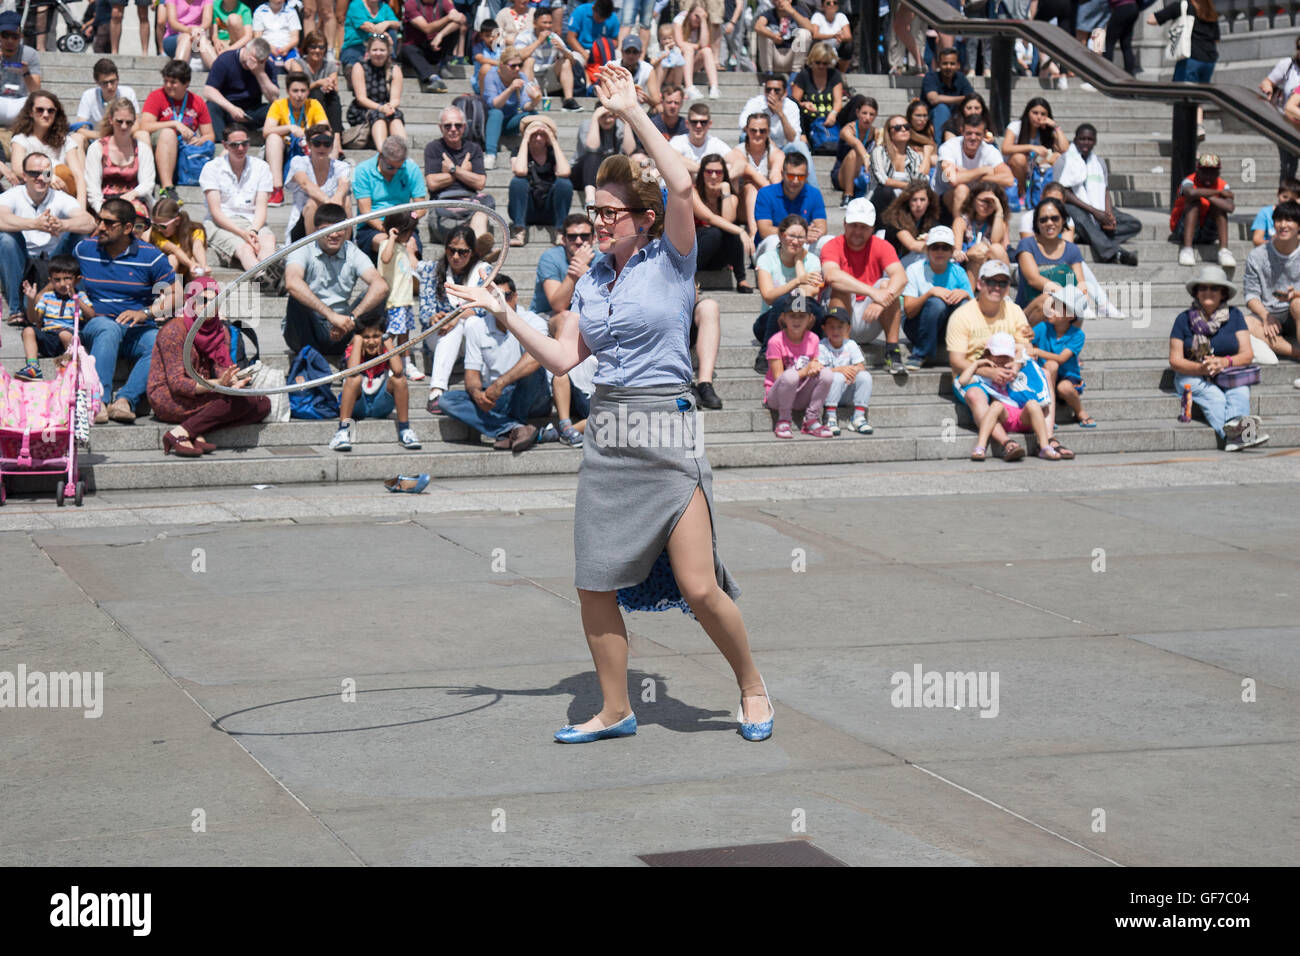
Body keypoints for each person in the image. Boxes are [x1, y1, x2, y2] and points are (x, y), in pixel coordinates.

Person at [446, 63, 773, 744]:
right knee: (594, 582)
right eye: (592, 211)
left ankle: (751, 686)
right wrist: (505, 313)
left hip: (668, 430)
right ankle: (615, 709)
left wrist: (632, 112)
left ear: (644, 220)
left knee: (699, 585)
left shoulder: (673, 258)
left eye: (608, 213)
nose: (596, 221)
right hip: (610, 435)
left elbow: (682, 182)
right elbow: (566, 359)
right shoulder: (590, 280)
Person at [76, 198, 177, 424]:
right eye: (100, 220)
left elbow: (177, 294)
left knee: (161, 340)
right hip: (98, 325)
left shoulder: (150, 255)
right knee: (108, 328)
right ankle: (98, 401)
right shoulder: (84, 249)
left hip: (136, 329)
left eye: (109, 223)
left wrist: (147, 313)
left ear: (128, 228)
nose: (101, 227)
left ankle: (125, 400)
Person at [147, 276, 271, 456]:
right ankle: (178, 434)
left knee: (263, 404)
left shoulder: (220, 331)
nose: (209, 306)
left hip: (203, 390)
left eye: (214, 301)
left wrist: (233, 381)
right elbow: (177, 384)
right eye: (202, 300)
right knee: (241, 402)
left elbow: (222, 369)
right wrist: (218, 384)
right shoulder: (175, 330)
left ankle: (193, 430)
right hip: (169, 396)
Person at [438, 272, 555, 452]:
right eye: (494, 298)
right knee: (446, 400)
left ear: (515, 297)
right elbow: (471, 373)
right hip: (497, 396)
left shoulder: (533, 321)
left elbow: (536, 358)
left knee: (534, 369)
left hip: (532, 396)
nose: (500, 303)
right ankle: (513, 428)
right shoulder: (477, 326)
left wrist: (501, 383)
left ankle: (508, 428)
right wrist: (477, 394)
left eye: (505, 296)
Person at [1169, 263, 1269, 450]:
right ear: (1196, 292)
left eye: (1214, 288)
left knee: (1240, 392)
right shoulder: (1183, 319)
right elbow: (1175, 360)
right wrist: (1201, 368)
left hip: (1228, 371)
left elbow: (1247, 354)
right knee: (1215, 397)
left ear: (1223, 293)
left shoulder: (1235, 316)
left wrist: (1224, 362)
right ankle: (1237, 436)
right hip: (1192, 374)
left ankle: (1239, 436)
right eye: (1203, 287)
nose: (1208, 292)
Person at [947, 259, 1035, 461]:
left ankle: (1048, 439)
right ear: (980, 284)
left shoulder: (1014, 311)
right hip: (973, 375)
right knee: (976, 396)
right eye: (991, 282)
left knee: (1046, 372)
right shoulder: (962, 315)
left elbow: (1027, 347)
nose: (997, 287)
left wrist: (1016, 365)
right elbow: (956, 361)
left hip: (1010, 373)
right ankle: (1007, 443)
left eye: (1003, 283)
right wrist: (986, 371)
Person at [0, 153, 96, 324]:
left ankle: (79, 299)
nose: (40, 178)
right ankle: (16, 310)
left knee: (80, 233)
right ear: (24, 176)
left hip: (53, 260)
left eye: (46, 174)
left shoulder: (60, 198)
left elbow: (89, 222)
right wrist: (34, 224)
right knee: (7, 239)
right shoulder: (12, 195)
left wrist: (62, 224)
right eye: (34, 174)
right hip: (23, 261)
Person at [283, 201, 387, 358]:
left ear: (346, 230)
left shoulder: (352, 251)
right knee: (296, 296)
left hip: (345, 326)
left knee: (380, 292)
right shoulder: (302, 249)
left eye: (338, 229)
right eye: (326, 230)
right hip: (307, 329)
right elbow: (292, 282)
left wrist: (351, 318)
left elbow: (380, 286)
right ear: (316, 230)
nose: (333, 235)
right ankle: (311, 357)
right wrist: (330, 316)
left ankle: (364, 350)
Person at [821, 198, 909, 374]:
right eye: (854, 225)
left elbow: (901, 277)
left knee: (888, 285)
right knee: (840, 286)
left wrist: (881, 299)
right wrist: (873, 293)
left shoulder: (882, 246)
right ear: (845, 224)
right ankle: (843, 353)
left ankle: (893, 350)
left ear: (872, 229)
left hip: (870, 316)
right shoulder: (832, 245)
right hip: (837, 317)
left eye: (864, 227)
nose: (858, 232)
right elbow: (831, 275)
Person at [959, 331, 1063, 461]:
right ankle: (981, 446)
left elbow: (1024, 349)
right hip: (1005, 416)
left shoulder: (1018, 365)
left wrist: (1015, 364)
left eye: (1006, 355)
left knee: (1033, 404)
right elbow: (962, 381)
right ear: (988, 355)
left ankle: (1044, 447)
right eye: (998, 355)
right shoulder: (987, 374)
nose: (1002, 359)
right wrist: (976, 364)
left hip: (1023, 416)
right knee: (996, 405)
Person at [327, 311, 421, 450]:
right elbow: (352, 371)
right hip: (359, 405)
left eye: (376, 336)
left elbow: (398, 371)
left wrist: (388, 343)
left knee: (399, 381)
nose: (371, 342)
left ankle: (405, 430)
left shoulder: (385, 348)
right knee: (353, 379)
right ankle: (342, 432)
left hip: (380, 404)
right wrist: (358, 342)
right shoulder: (353, 348)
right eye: (366, 337)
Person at [420, 224, 491, 408]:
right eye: (451, 250)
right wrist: (434, 318)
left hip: (471, 339)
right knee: (454, 327)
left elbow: (487, 308)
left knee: (469, 321)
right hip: (439, 336)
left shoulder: (483, 271)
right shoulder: (432, 270)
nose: (456, 257)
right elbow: (425, 310)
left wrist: (457, 316)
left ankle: (481, 385)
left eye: (462, 252)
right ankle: (437, 389)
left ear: (473, 252)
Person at [1053, 122, 1142, 266]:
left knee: (1133, 224)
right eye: (1082, 139)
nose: (1085, 143)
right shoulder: (1064, 161)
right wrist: (1095, 212)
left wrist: (1108, 213)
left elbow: (1105, 189)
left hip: (1098, 206)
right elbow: (1061, 192)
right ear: (1075, 140)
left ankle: (1089, 236)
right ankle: (1116, 253)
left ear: (1095, 141)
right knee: (1081, 218)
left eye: (1089, 139)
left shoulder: (1099, 162)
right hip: (1072, 206)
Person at [200, 123, 275, 272]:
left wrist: (253, 231)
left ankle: (269, 274)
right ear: (225, 145)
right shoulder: (212, 168)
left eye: (245, 144)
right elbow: (216, 213)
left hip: (252, 222)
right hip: (221, 223)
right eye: (234, 145)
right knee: (246, 250)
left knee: (268, 243)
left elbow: (261, 208)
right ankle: (263, 279)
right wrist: (242, 234)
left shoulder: (261, 167)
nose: (240, 148)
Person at [752, 213, 824, 368]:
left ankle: (822, 353)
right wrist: (798, 281)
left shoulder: (812, 260)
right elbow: (768, 297)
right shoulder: (766, 259)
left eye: (801, 238)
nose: (796, 241)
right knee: (782, 301)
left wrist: (799, 262)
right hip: (770, 321)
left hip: (802, 320)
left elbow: (809, 294)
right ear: (781, 235)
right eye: (791, 236)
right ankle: (765, 354)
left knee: (814, 307)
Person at [424, 106, 495, 257]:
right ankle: (478, 251)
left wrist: (453, 170)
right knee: (468, 229)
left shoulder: (474, 149)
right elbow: (432, 183)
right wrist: (463, 172)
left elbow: (480, 183)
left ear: (464, 126)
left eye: (458, 125)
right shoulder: (433, 148)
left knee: (482, 213)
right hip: (443, 209)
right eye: (448, 125)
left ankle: (474, 248)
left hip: (470, 206)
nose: (453, 129)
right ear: (440, 127)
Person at [140, 62, 215, 205]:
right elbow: (144, 126)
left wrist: (200, 140)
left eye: (173, 82)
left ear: (186, 83)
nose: (168, 85)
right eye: (166, 81)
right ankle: (167, 188)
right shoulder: (156, 96)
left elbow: (210, 135)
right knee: (169, 133)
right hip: (161, 151)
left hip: (185, 154)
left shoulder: (197, 101)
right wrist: (174, 124)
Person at [901, 226, 972, 369]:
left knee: (964, 304)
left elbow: (975, 310)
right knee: (936, 303)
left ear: (952, 251)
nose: (940, 251)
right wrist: (930, 293)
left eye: (945, 248)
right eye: (935, 247)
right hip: (917, 326)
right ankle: (920, 353)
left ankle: (964, 351)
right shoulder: (914, 270)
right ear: (927, 250)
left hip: (946, 329)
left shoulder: (958, 271)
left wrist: (966, 295)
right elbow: (908, 311)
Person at [13, 255, 93, 382]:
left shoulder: (81, 295)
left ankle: (72, 365)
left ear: (77, 280)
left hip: (71, 338)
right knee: (28, 330)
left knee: (64, 334)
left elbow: (91, 315)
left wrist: (76, 299)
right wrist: (31, 300)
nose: (62, 284)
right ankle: (33, 367)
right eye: (57, 280)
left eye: (67, 279)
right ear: (51, 281)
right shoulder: (47, 297)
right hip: (49, 337)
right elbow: (33, 318)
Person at [1149, 0, 1220, 140]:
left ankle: (1188, 132)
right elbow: (1216, 38)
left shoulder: (1183, 5)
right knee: (1198, 95)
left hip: (1190, 56)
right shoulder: (1210, 9)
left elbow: (1152, 19)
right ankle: (1198, 126)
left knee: (1183, 96)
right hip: (1208, 59)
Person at [1242, 200, 1300, 364]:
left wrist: (1295, 294)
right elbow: (1251, 294)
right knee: (1245, 323)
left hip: (1296, 310)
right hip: (1269, 314)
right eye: (1279, 220)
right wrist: (1265, 316)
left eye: (1289, 220)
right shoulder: (1257, 256)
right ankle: (1296, 352)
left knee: (1298, 304)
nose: (1283, 225)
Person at [1017, 196, 1091, 324]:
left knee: (1076, 305)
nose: (1049, 223)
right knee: (1046, 300)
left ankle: (1066, 343)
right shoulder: (1027, 245)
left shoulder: (1072, 250)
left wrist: (1082, 296)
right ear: (1037, 223)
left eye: (1055, 218)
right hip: (1030, 312)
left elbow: (1081, 283)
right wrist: (1064, 295)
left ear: (1063, 220)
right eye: (1043, 220)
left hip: (1062, 310)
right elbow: (1033, 279)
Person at [353, 135, 428, 259]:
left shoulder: (411, 169)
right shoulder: (363, 170)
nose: (395, 171)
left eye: (399, 167)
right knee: (387, 245)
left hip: (404, 225)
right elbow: (365, 212)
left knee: (410, 246)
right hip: (373, 226)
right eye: (390, 167)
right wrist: (388, 230)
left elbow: (421, 208)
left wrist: (408, 221)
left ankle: (414, 277)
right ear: (380, 156)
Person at [10, 93, 87, 211]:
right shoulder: (21, 139)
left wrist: (81, 210)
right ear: (30, 112)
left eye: (51, 111)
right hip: (31, 199)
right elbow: (18, 168)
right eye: (40, 110)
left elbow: (78, 176)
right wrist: (48, 176)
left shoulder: (66, 141)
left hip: (61, 197)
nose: (46, 115)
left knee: (62, 171)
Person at [764, 307, 833, 437]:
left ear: (810, 318)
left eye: (802, 316)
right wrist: (805, 371)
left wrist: (814, 368)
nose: (797, 320)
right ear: (784, 317)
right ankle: (783, 420)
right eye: (792, 316)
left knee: (826, 374)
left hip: (801, 394)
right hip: (777, 397)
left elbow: (815, 366)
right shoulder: (776, 341)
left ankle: (811, 419)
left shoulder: (813, 339)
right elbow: (779, 378)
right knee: (790, 375)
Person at [738, 74, 816, 187]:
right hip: (760, 147)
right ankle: (744, 181)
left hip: (783, 149)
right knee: (743, 137)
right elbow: (743, 125)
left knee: (800, 146)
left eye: (776, 90)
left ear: (784, 93)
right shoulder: (755, 103)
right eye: (768, 90)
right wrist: (767, 141)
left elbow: (792, 138)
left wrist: (780, 114)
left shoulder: (791, 106)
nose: (772, 93)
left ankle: (814, 194)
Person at [262, 73, 327, 209]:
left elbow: (325, 129)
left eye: (303, 91)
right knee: (273, 137)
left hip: (308, 150)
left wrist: (307, 134)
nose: (299, 95)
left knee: (323, 140)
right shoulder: (278, 105)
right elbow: (266, 131)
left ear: (308, 91)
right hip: (285, 153)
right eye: (295, 91)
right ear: (287, 91)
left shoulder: (314, 104)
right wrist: (290, 127)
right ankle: (277, 189)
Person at [508, 114, 574, 246]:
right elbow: (520, 171)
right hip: (527, 210)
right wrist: (526, 137)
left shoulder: (551, 152)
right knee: (517, 181)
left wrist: (553, 141)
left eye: (542, 134)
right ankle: (519, 231)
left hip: (550, 210)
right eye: (533, 134)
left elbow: (565, 172)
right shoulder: (518, 151)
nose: (538, 137)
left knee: (564, 183)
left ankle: (560, 232)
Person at [692, 153, 754, 292]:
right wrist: (742, 231)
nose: (714, 176)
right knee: (714, 232)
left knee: (728, 231)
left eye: (718, 172)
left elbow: (727, 221)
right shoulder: (693, 193)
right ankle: (689, 278)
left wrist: (726, 190)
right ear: (702, 173)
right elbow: (709, 218)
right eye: (709, 171)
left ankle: (741, 280)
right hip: (695, 253)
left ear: (724, 174)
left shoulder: (731, 197)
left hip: (718, 258)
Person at [1029, 295, 1094, 428]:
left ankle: (1080, 411)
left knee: (1064, 387)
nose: (1050, 311)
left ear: (1070, 316)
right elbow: (1027, 340)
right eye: (1051, 307)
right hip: (1047, 375)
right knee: (1050, 366)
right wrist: (1029, 343)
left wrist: (1037, 351)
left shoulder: (1077, 335)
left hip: (1067, 377)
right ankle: (1048, 413)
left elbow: (1061, 359)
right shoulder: (1043, 327)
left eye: (1057, 309)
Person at [85, 99, 157, 217]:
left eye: (128, 122)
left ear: (134, 122)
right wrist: (101, 210)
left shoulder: (142, 149)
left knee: (138, 218)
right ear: (110, 120)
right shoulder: (97, 148)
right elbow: (92, 187)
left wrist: (132, 194)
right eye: (119, 121)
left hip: (133, 200)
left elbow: (148, 183)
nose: (124, 126)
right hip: (104, 202)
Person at [283, 122, 351, 242]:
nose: (322, 147)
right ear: (309, 144)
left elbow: (343, 185)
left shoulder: (341, 166)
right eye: (317, 143)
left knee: (346, 200)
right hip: (303, 225)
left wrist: (336, 200)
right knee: (313, 203)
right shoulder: (299, 161)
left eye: (327, 143)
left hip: (333, 220)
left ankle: (346, 247)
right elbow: (305, 184)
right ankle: (313, 251)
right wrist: (329, 204)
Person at [202, 37, 279, 142]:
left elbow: (274, 98)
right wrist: (231, 108)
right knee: (211, 106)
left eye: (259, 61)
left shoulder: (266, 67)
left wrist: (259, 72)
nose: (251, 62)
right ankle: (221, 143)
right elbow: (208, 90)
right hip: (227, 109)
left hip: (251, 112)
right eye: (251, 58)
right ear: (245, 48)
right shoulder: (225, 59)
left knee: (276, 108)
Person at [936, 113, 1013, 216]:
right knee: (962, 189)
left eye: (978, 134)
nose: (973, 138)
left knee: (996, 195)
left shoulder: (990, 151)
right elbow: (952, 180)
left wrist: (972, 176)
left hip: (977, 198)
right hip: (945, 199)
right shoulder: (948, 148)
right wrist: (983, 170)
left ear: (984, 134)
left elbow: (1009, 180)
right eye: (969, 133)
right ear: (962, 131)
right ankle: (960, 228)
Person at [752, 151, 826, 258]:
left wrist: (805, 236)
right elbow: (764, 230)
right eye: (791, 176)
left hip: (802, 243)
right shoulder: (766, 193)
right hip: (774, 244)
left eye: (800, 177)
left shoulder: (814, 194)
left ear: (807, 176)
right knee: (773, 241)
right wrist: (798, 234)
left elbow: (822, 227)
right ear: (782, 174)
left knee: (827, 241)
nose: (795, 181)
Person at [1001, 97, 1068, 208]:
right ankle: (1021, 193)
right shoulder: (1016, 126)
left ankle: (1047, 194)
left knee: (1057, 157)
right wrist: (1032, 147)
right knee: (1019, 158)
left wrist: (1055, 127)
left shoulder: (1046, 130)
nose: (1039, 117)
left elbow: (1065, 149)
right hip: (1016, 169)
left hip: (1036, 166)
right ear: (1028, 113)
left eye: (1043, 114)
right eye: (1035, 113)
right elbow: (1006, 148)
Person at [1172, 152, 1235, 268]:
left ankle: (1224, 251)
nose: (1208, 176)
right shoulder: (1188, 181)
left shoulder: (1223, 185)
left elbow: (1230, 207)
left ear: (1218, 173)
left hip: (1208, 232)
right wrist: (1218, 193)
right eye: (1204, 171)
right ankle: (1187, 249)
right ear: (1197, 170)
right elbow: (1191, 193)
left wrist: (1204, 194)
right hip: (1182, 229)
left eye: (1212, 172)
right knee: (1194, 202)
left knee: (1219, 207)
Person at [483, 49, 541, 169]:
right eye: (513, 66)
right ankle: (490, 155)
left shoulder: (522, 77)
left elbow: (525, 106)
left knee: (533, 114)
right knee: (496, 113)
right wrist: (510, 89)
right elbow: (494, 104)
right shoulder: (492, 75)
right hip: (491, 121)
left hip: (511, 122)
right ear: (502, 65)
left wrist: (535, 101)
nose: (517, 69)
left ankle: (537, 153)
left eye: (520, 65)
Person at [727, 112, 783, 236]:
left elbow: (775, 178)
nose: (758, 134)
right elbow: (752, 174)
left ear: (768, 131)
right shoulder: (737, 152)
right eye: (753, 130)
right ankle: (754, 232)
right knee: (751, 188)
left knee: (777, 177)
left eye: (762, 131)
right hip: (741, 208)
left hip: (767, 204)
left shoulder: (776, 154)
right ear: (746, 130)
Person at [818, 307, 871, 435]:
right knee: (836, 376)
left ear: (848, 328)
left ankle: (858, 417)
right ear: (824, 328)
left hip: (846, 392)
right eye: (831, 327)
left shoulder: (851, 345)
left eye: (840, 326)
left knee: (865, 376)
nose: (836, 330)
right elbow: (819, 371)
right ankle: (829, 417)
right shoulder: (821, 346)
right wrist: (839, 370)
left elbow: (860, 366)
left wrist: (852, 371)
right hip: (827, 393)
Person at [346, 34, 405, 148]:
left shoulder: (395, 69)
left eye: (382, 50)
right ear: (368, 51)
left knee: (396, 116)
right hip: (363, 111)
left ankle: (402, 153)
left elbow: (396, 99)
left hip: (387, 109)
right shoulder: (359, 67)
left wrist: (388, 107)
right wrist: (380, 108)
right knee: (378, 115)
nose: (378, 53)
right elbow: (361, 98)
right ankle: (382, 151)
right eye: (375, 50)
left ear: (388, 51)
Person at [573, 103, 634, 208]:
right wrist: (595, 118)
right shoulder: (587, 125)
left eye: (610, 116)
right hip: (582, 172)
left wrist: (627, 124)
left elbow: (630, 150)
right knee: (593, 155)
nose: (607, 120)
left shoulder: (620, 125)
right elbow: (592, 147)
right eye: (603, 116)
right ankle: (590, 199)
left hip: (608, 173)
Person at [291, 33, 343, 156]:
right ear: (307, 48)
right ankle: (321, 134)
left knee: (332, 94)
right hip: (303, 101)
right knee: (316, 93)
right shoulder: (298, 64)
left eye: (321, 47)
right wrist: (318, 83)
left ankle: (336, 139)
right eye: (313, 47)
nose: (317, 50)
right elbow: (297, 87)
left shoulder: (330, 66)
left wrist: (328, 84)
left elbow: (334, 85)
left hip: (325, 101)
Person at [870, 118, 929, 226]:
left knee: (925, 194)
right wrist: (909, 186)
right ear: (889, 132)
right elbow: (883, 180)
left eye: (906, 127)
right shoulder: (879, 152)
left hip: (905, 199)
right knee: (886, 191)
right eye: (897, 128)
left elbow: (921, 180)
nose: (903, 130)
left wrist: (926, 156)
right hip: (880, 201)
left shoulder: (914, 156)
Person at [953, 180, 1012, 289]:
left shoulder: (1000, 223)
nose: (987, 205)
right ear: (973, 199)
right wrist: (971, 253)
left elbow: (996, 243)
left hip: (991, 265)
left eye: (992, 202)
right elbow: (956, 253)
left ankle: (1005, 295)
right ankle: (969, 296)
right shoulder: (961, 221)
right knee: (978, 250)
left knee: (996, 248)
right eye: (983, 201)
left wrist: (999, 212)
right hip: (966, 265)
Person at [518, 7, 578, 112]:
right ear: (535, 23)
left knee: (566, 61)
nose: (547, 26)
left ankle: (569, 100)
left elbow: (573, 62)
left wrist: (563, 50)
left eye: (550, 23)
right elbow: (518, 58)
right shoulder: (524, 36)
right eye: (544, 23)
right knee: (529, 61)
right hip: (529, 78)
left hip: (548, 79)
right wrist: (538, 42)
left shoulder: (554, 37)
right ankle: (528, 101)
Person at [72, 59, 140, 149]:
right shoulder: (88, 95)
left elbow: (137, 125)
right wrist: (104, 135)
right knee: (76, 138)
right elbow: (80, 128)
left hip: (124, 135)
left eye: (112, 81)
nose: (110, 87)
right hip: (95, 139)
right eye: (105, 83)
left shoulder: (128, 92)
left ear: (118, 79)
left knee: (142, 135)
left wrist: (116, 135)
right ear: (97, 82)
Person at [399, 0, 459, 94]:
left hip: (435, 47)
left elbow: (460, 19)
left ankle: (444, 64)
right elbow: (427, 28)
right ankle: (433, 78)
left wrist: (440, 35)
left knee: (454, 28)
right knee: (407, 49)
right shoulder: (411, 3)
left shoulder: (443, 2)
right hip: (416, 49)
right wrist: (448, 18)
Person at [878, 178, 939, 268]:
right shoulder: (897, 218)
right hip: (894, 265)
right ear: (908, 202)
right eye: (914, 200)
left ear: (929, 202)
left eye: (922, 200)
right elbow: (912, 245)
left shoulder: (929, 219)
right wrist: (942, 248)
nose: (918, 204)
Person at [791, 42, 842, 147]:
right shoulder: (804, 75)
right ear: (812, 60)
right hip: (809, 118)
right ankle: (803, 137)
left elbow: (838, 102)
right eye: (818, 62)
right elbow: (793, 102)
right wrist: (804, 104)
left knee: (858, 101)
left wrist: (833, 113)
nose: (821, 66)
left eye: (825, 63)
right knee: (797, 112)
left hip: (830, 118)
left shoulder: (834, 75)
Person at [149, 197, 209, 283]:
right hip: (164, 276)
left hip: (188, 275)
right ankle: (167, 292)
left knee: (195, 260)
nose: (159, 229)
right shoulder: (156, 232)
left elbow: (198, 248)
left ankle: (199, 289)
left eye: (163, 226)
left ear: (177, 221)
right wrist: (190, 264)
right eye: (155, 225)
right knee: (172, 259)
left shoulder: (195, 230)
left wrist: (204, 267)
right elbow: (174, 249)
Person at [830, 95, 876, 206]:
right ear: (857, 113)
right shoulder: (848, 129)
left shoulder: (874, 132)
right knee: (854, 154)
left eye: (871, 114)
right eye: (864, 113)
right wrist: (866, 157)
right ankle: (848, 195)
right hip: (842, 174)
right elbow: (856, 143)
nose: (867, 118)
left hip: (862, 172)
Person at [668, 103, 738, 176]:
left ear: (709, 124)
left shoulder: (715, 143)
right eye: (694, 122)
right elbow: (673, 158)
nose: (698, 126)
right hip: (683, 185)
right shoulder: (678, 141)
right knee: (684, 170)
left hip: (707, 185)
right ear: (687, 123)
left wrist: (725, 176)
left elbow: (739, 162)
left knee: (730, 168)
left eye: (703, 122)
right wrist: (707, 171)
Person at [670, 0, 719, 101]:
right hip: (675, 68)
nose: (698, 19)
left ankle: (714, 87)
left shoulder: (703, 23)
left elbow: (704, 45)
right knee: (688, 49)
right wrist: (697, 46)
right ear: (690, 13)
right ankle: (689, 87)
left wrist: (704, 21)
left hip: (690, 64)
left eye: (702, 16)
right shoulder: (679, 20)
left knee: (707, 51)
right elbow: (680, 43)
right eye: (696, 16)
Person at [921, 47, 973, 140]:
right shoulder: (931, 77)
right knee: (942, 109)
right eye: (945, 63)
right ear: (939, 64)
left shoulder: (961, 78)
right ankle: (941, 148)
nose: (948, 66)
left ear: (958, 65)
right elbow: (933, 99)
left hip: (955, 119)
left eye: (952, 64)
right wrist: (962, 99)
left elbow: (972, 99)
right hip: (932, 118)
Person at [0, 11, 41, 128]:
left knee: (40, 103)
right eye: (5, 35)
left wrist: (26, 73)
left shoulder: (30, 54)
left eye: (14, 36)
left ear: (21, 36)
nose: (10, 40)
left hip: (20, 102)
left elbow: (35, 90)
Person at [754, 0, 812, 75]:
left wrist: (792, 12)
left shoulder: (798, 11)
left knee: (805, 33)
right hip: (774, 57)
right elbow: (758, 26)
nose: (780, 1)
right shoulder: (769, 13)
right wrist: (773, 36)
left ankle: (795, 74)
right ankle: (768, 73)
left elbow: (810, 29)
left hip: (792, 56)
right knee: (764, 32)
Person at [340, 0, 400, 68]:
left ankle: (391, 60)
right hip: (357, 45)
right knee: (354, 66)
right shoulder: (356, 5)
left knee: (392, 31)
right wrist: (384, 35)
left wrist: (387, 23)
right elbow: (366, 26)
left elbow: (397, 24)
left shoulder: (384, 6)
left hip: (378, 46)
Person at [252, 0, 302, 76]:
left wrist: (285, 49)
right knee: (265, 64)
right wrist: (270, 48)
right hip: (266, 49)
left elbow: (295, 38)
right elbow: (257, 37)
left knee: (296, 68)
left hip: (288, 50)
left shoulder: (291, 11)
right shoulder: (260, 11)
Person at [1251, 179, 1300, 247]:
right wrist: (1277, 245)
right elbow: (1257, 239)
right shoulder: (1265, 213)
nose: (1287, 201)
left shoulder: (1298, 214)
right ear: (1278, 194)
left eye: (1292, 199)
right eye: (1285, 197)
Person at [810, 0, 851, 72]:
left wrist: (840, 38)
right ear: (823, 6)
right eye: (828, 3)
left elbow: (848, 36)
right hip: (821, 48)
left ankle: (842, 73)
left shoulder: (841, 16)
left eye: (835, 3)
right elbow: (815, 35)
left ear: (837, 6)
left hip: (837, 48)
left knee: (849, 45)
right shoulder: (817, 16)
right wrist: (833, 36)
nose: (832, 5)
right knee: (814, 43)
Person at [1105, 0, 1140, 76]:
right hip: (1133, 7)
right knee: (1126, 44)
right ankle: (1129, 74)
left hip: (1121, 7)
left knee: (1108, 43)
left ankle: (1106, 73)